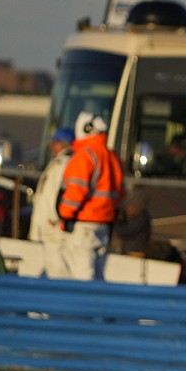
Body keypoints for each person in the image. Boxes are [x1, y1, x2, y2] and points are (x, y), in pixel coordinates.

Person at [56, 113, 126, 281]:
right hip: (104, 226)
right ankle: (98, 306)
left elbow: (75, 193)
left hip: (85, 226)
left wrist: (64, 215)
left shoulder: (84, 156)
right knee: (98, 274)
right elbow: (120, 193)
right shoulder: (111, 156)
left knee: (83, 275)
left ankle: (83, 306)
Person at [28, 127, 75, 278]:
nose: (52, 146)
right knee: (51, 266)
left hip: (54, 228)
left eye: (55, 142)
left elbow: (62, 194)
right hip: (49, 227)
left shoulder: (64, 164)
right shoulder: (58, 163)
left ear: (64, 144)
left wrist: (56, 218)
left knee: (57, 270)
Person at [113, 185, 152, 256]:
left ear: (137, 207)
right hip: (129, 250)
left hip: (135, 252)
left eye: (130, 207)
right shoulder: (138, 217)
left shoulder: (141, 219)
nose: (128, 210)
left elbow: (124, 231)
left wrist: (116, 222)